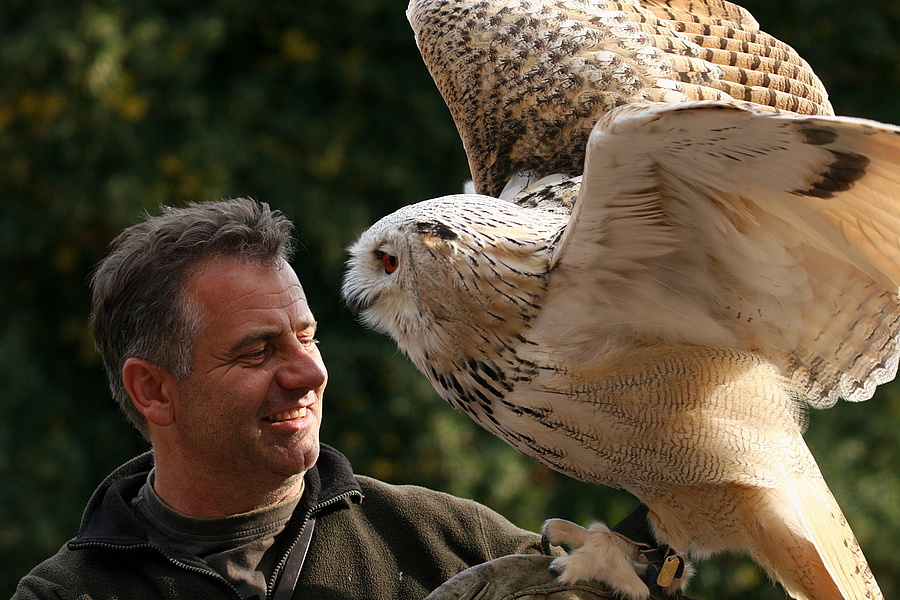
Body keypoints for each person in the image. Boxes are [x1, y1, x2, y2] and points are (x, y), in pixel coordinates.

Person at [12, 198, 561, 600]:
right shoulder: (63, 594)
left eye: (306, 336)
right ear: (153, 390)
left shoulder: (451, 543)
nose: (310, 372)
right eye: (257, 352)